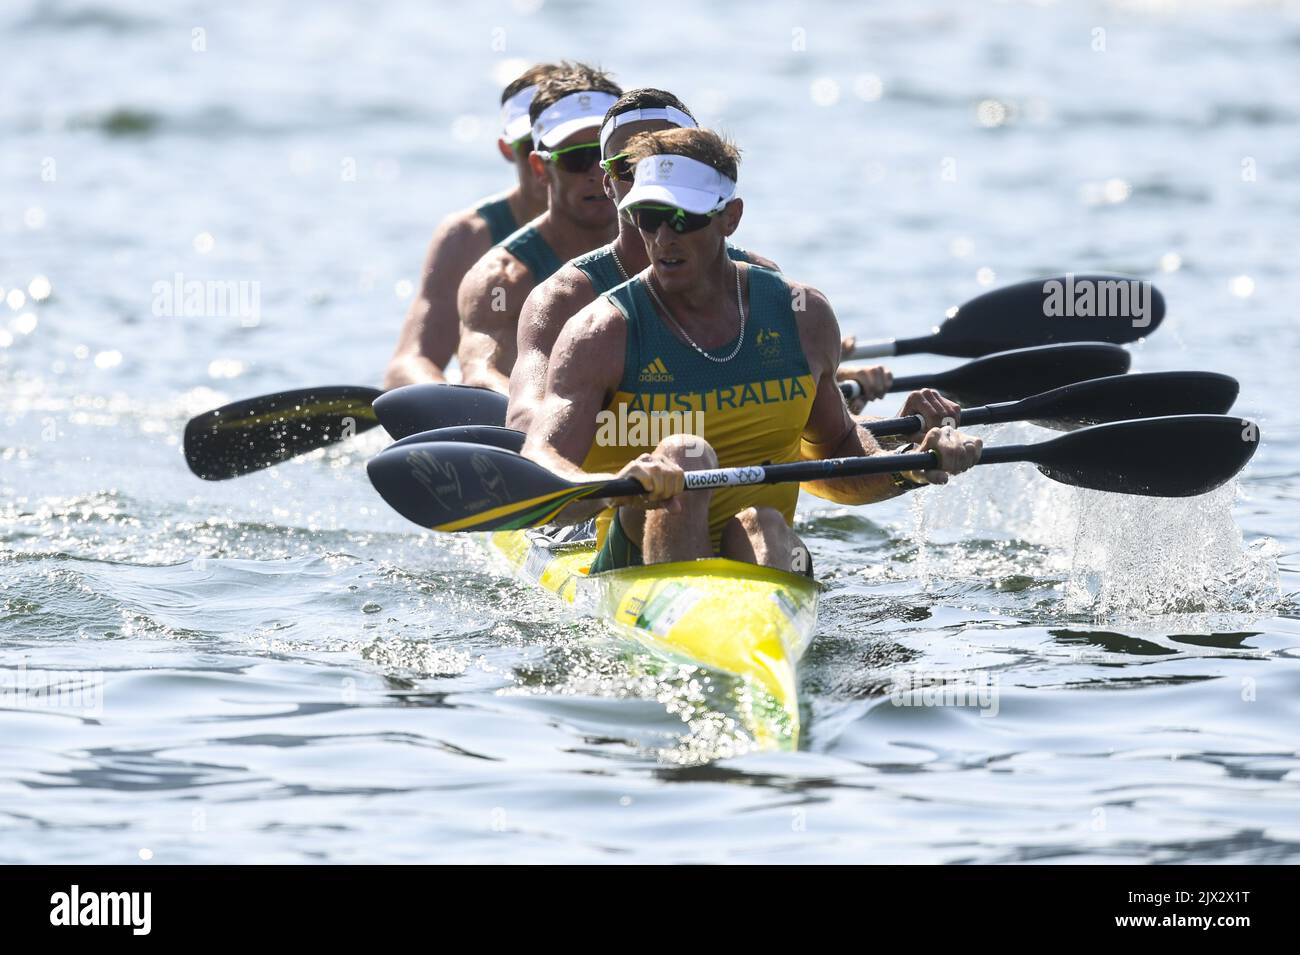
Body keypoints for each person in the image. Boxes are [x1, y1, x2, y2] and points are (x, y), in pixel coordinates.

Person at [521, 128, 982, 573]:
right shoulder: (600, 333)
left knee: (764, 523)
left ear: (731, 217)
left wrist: (914, 463)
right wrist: (613, 490)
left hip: (755, 560)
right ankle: (688, 609)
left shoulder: (803, 316)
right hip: (634, 562)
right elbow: (540, 466)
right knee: (685, 454)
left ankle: (746, 627)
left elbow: (836, 453)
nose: (663, 239)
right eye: (648, 217)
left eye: (684, 218)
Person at [506, 87, 783, 432]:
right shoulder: (562, 301)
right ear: (609, 185)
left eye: (669, 165)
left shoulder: (763, 282)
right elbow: (525, 421)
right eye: (630, 166)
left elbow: (824, 434)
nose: (651, 179)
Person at [383, 63, 560, 389]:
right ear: (507, 149)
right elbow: (410, 362)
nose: (547, 163)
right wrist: (455, 407)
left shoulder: (645, 228)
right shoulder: (467, 236)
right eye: (533, 147)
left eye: (566, 151)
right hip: (502, 410)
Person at [456, 63, 623, 393]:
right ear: (539, 168)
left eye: (609, 156)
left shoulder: (673, 250)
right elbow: (480, 375)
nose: (597, 173)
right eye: (576, 159)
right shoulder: (500, 280)